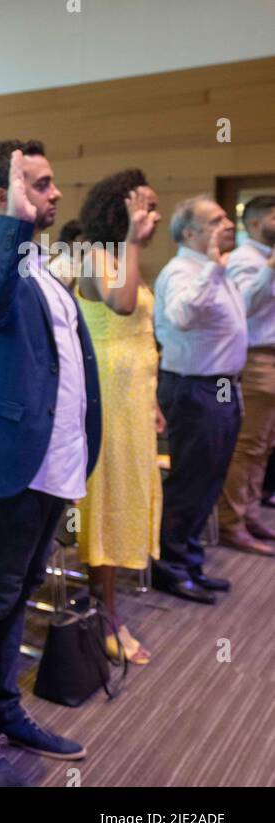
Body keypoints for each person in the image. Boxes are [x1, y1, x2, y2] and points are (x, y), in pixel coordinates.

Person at [0, 141, 100, 786]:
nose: (56, 194)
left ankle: (6, 709)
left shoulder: (43, 266)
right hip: (7, 461)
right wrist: (12, 220)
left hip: (54, 460)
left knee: (19, 596)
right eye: (39, 184)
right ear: (2, 197)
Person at [72, 169, 165, 664]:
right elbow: (123, 307)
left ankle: (108, 604)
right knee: (109, 498)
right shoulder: (96, 254)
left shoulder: (124, 257)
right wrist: (132, 239)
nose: (155, 215)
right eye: (145, 206)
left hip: (133, 395)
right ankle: (104, 612)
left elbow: (142, 338)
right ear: (119, 211)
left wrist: (152, 401)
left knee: (128, 493)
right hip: (106, 394)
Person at [151, 195, 246, 602]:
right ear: (190, 233)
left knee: (210, 479)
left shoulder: (216, 269)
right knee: (191, 482)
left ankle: (189, 559)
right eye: (216, 220)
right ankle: (170, 567)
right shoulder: (181, 271)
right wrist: (211, 267)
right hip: (195, 388)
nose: (227, 223)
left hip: (222, 385)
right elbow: (181, 317)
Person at [217, 195, 275, 553]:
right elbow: (243, 307)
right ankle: (230, 521)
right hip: (255, 358)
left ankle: (250, 513)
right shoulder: (244, 260)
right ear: (255, 223)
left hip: (270, 357)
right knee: (247, 445)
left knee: (264, 445)